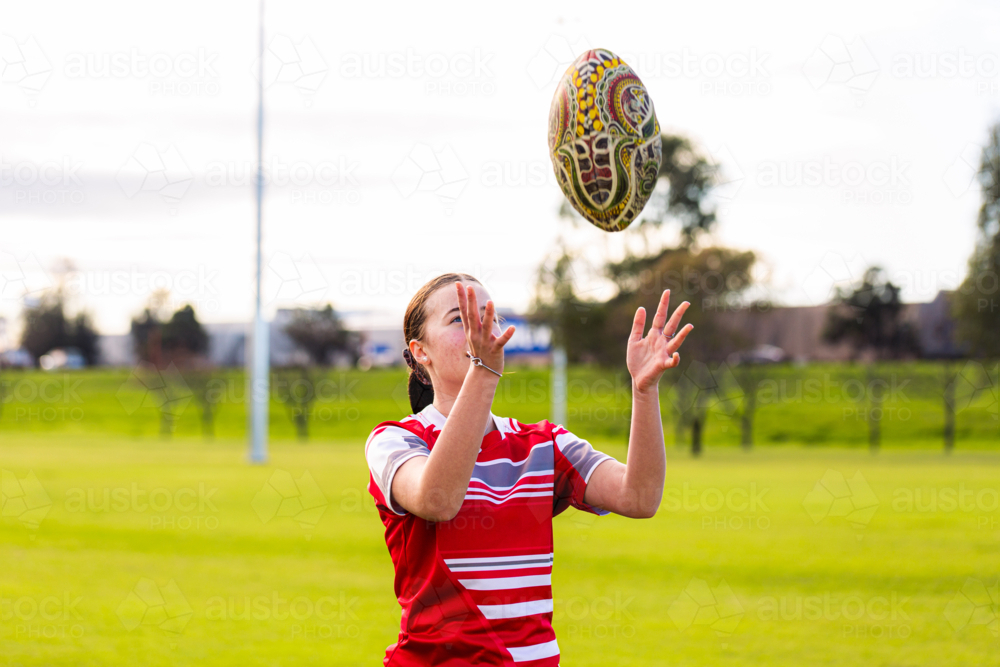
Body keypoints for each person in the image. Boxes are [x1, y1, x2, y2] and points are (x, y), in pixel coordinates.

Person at [365, 273, 692, 666]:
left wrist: (644, 390)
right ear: (420, 351)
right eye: (459, 318)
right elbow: (438, 500)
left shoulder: (542, 444)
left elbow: (639, 497)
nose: (480, 327)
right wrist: (483, 372)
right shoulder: (395, 440)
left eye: (488, 316)